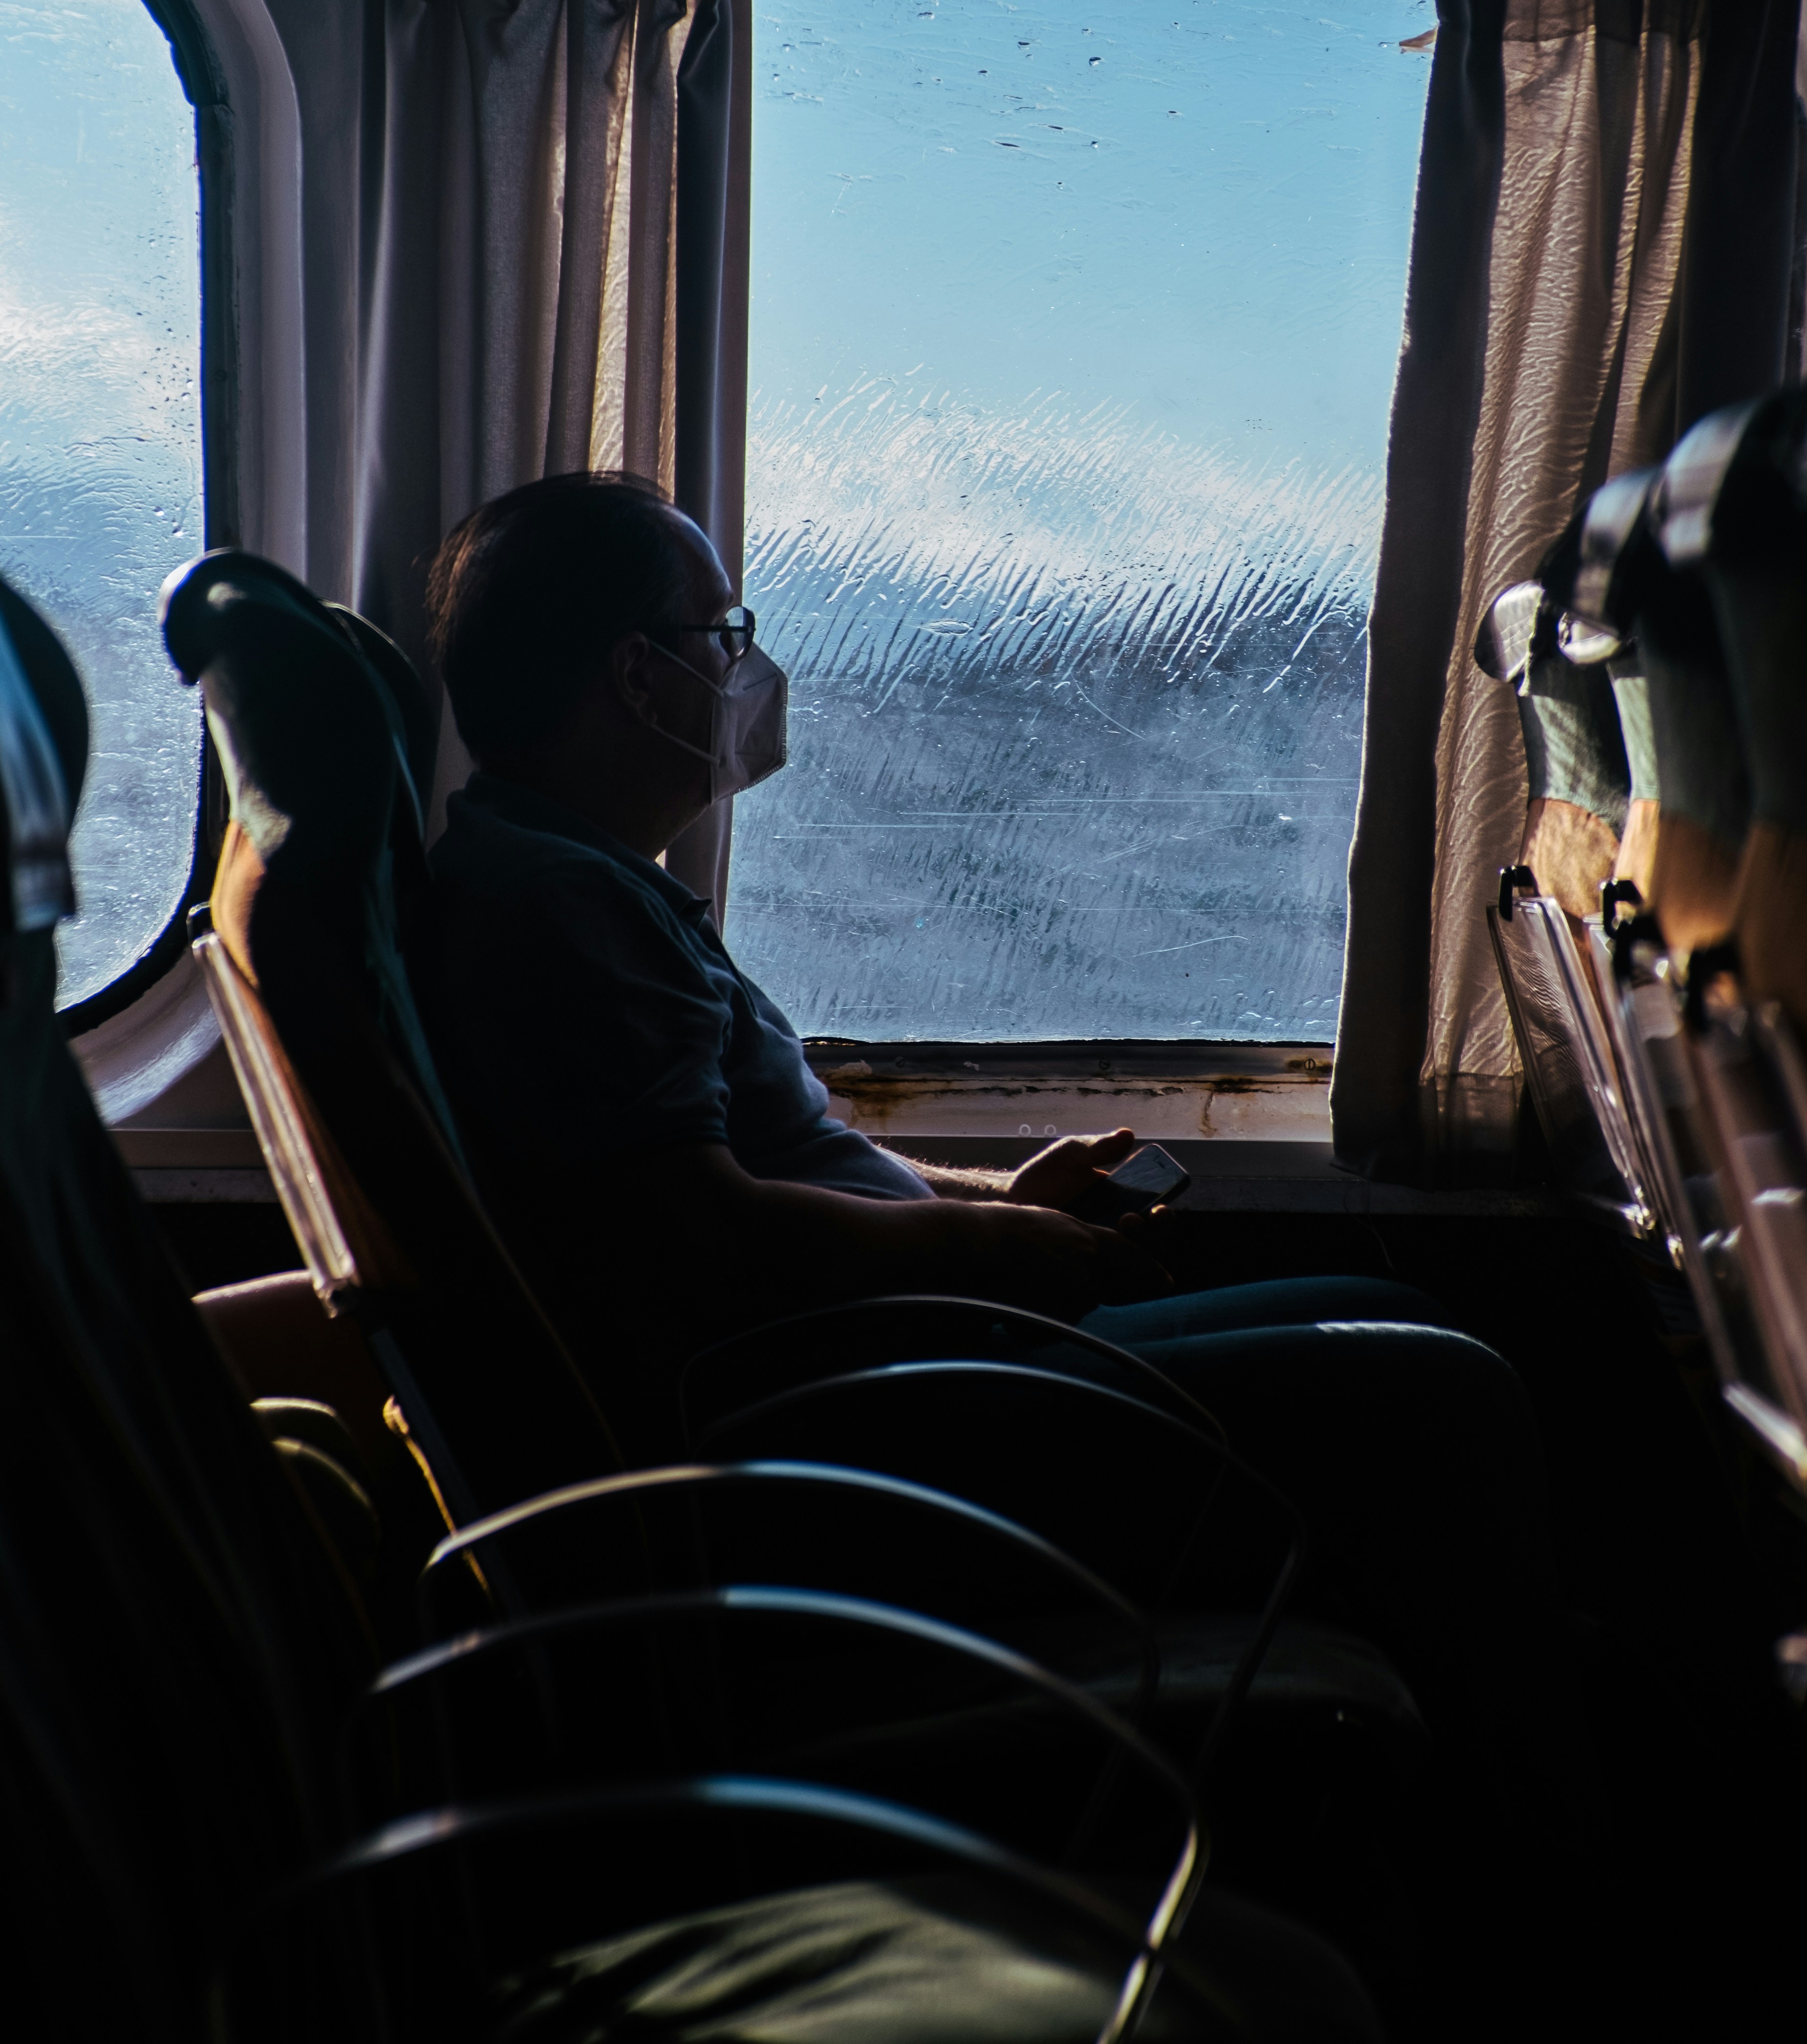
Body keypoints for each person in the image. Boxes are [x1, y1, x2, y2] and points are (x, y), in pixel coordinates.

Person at [413, 473, 1552, 1662]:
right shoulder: (561, 912)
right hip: (871, 1438)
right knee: (1440, 1393)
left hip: (902, 1369)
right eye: (723, 633)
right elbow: (701, 1232)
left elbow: (778, 1163)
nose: (748, 667)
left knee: (1393, 1315)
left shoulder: (583, 880)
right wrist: (984, 1251)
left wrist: (996, 1198)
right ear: (638, 676)